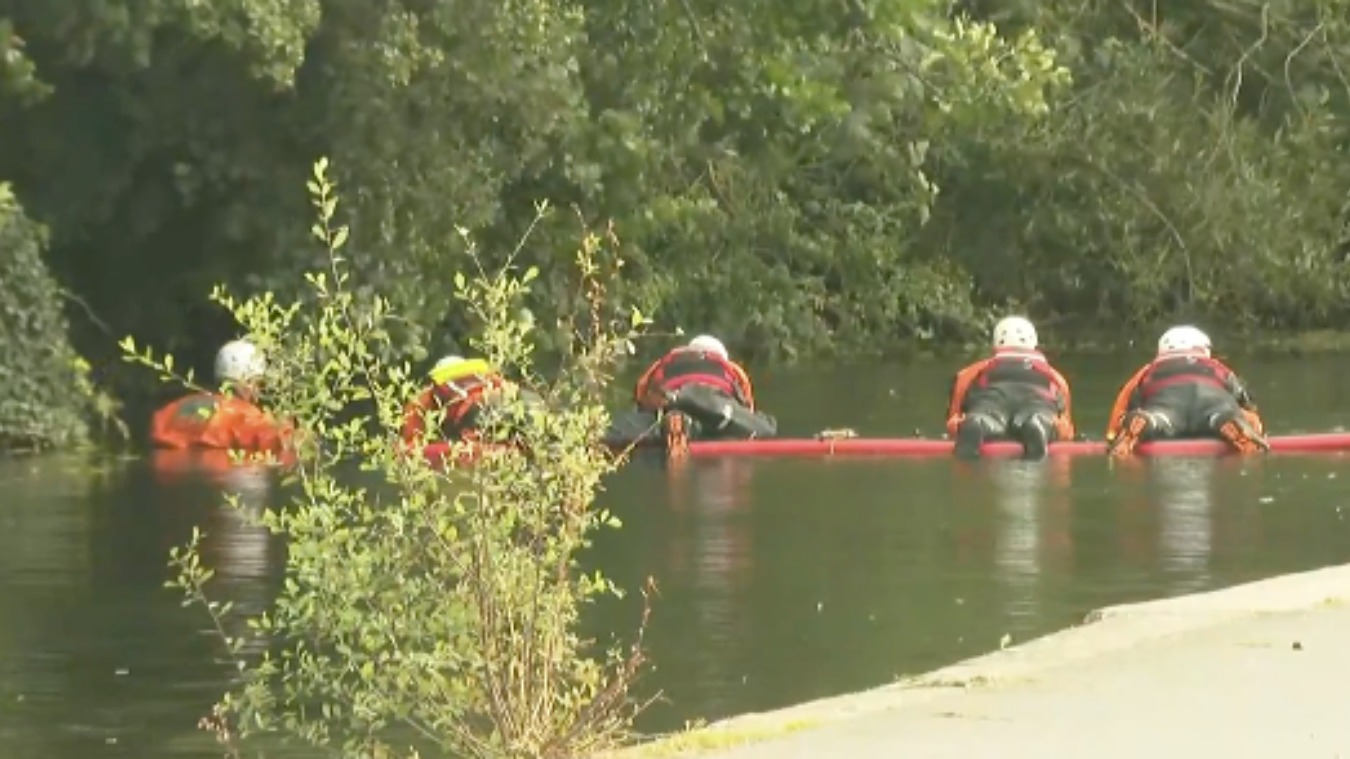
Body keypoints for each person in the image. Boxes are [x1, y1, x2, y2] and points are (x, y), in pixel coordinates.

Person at [1105, 325, 1268, 456]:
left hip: (1166, 406)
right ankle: (1227, 420)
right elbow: (1246, 403)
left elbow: (1123, 406)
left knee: (1157, 420)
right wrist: (1256, 428)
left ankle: (1147, 421)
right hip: (1212, 404)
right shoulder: (1219, 368)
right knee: (1223, 414)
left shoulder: (1149, 370)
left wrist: (1113, 435)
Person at [945, 316, 1076, 460]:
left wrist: (958, 427)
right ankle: (1038, 422)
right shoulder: (1054, 375)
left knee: (983, 417)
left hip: (991, 398)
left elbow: (954, 416)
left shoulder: (974, 370)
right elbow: (1066, 426)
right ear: (1033, 343)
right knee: (1041, 417)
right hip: (1038, 400)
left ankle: (980, 422)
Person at [628, 334, 777, 451]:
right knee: (766, 426)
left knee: (649, 420)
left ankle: (687, 424)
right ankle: (694, 425)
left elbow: (641, 397)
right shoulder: (728, 369)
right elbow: (746, 405)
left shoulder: (667, 362)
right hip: (714, 401)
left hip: (668, 397)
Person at [150, 339, 292, 452]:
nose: (259, 389)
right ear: (246, 381)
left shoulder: (172, 409)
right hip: (219, 480)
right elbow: (280, 440)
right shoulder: (242, 416)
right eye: (258, 382)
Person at [401, 355, 543, 446]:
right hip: (518, 401)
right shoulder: (485, 376)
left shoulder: (428, 394)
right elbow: (511, 390)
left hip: (476, 413)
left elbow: (411, 445)